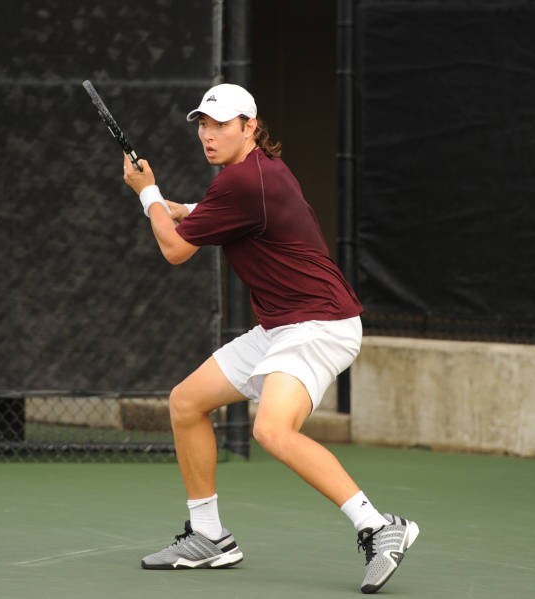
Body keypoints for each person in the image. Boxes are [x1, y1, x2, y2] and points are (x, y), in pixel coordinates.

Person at [121, 82, 419, 594]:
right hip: (282, 325)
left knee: (272, 430)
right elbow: (232, 217)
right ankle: (209, 536)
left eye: (221, 125)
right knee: (187, 403)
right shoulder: (254, 176)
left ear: (250, 127)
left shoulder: (240, 184)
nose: (209, 136)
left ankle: (379, 526)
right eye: (203, 125)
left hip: (319, 325)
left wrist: (147, 193)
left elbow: (175, 252)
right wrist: (182, 206)